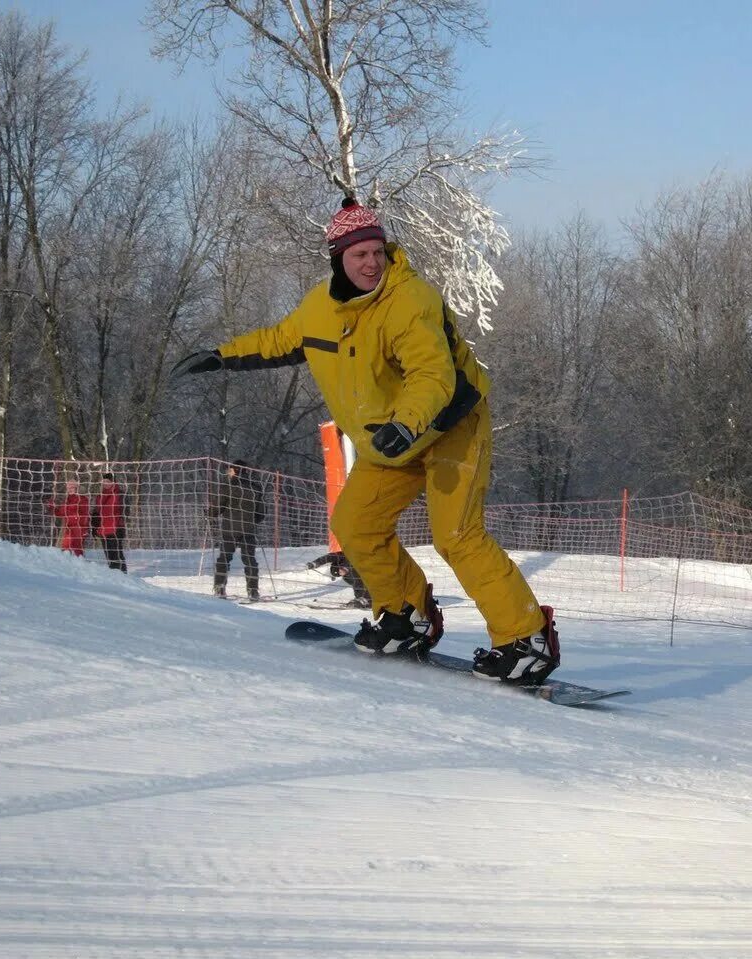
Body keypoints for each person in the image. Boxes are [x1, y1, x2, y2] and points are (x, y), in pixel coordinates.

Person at [172, 197, 560, 684]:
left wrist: (407, 423)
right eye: (360, 254)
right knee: (355, 525)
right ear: (338, 258)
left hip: (449, 427)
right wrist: (220, 355)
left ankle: (526, 639)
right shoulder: (320, 307)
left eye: (378, 251)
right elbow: (278, 340)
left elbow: (432, 375)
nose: (372, 262)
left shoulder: (410, 300)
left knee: (456, 535)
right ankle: (405, 615)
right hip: (389, 439)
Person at [208, 460, 265, 600]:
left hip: (230, 529)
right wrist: (252, 521)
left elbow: (218, 507)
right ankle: (253, 591)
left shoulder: (227, 486)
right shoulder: (256, 488)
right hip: (248, 529)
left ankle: (219, 588)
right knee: (249, 559)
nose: (229, 472)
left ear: (236, 470)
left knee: (224, 558)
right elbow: (261, 513)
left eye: (231, 470)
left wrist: (210, 514)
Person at [307, 550, 373, 608]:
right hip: (364, 572)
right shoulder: (347, 577)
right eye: (340, 574)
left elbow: (327, 557)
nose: (341, 573)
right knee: (356, 581)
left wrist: (315, 563)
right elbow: (357, 585)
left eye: (340, 571)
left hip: (368, 561)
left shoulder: (341, 556)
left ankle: (366, 600)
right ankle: (363, 599)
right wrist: (314, 563)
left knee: (358, 577)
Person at [47, 479, 91, 557]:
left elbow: (84, 514)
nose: (70, 489)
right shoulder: (67, 500)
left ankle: (79, 562)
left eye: (72, 487)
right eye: (68, 487)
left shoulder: (83, 499)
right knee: (66, 550)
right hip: (69, 528)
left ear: (76, 488)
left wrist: (84, 529)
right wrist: (52, 507)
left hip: (79, 528)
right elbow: (61, 513)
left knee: (76, 550)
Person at [93, 472, 127, 573]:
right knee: (109, 556)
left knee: (116, 555)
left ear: (113, 482)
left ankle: (123, 575)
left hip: (115, 528)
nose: (105, 483)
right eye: (103, 481)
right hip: (103, 530)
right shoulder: (100, 496)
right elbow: (96, 511)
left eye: (107, 481)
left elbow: (126, 510)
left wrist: (120, 523)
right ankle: (114, 576)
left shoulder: (120, 494)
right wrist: (94, 525)